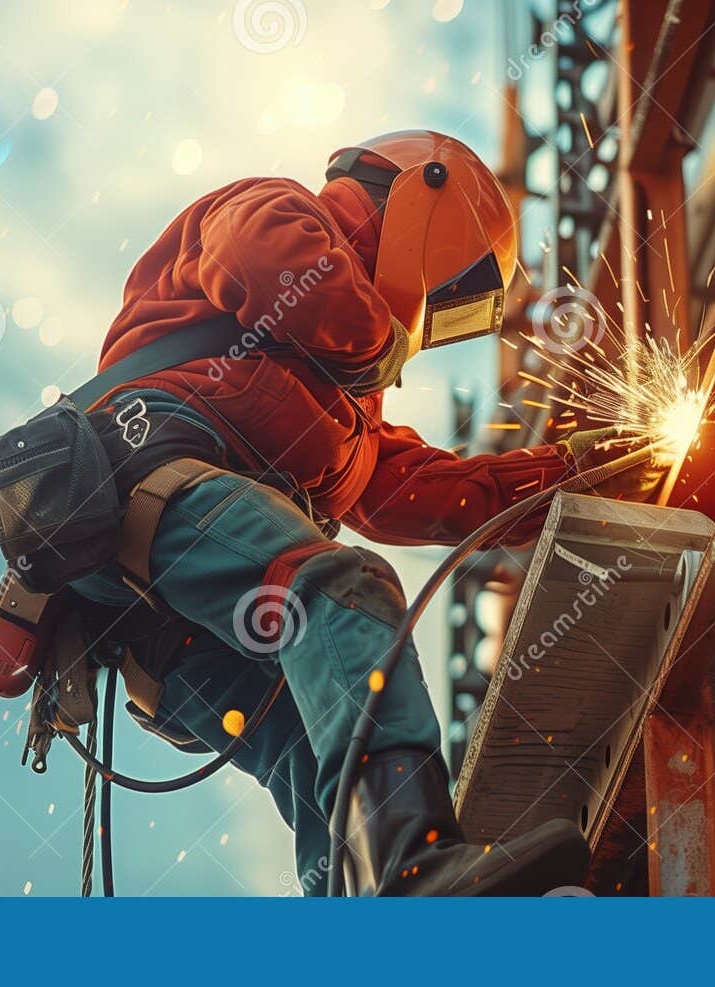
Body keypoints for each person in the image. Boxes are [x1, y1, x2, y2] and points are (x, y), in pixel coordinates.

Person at [69, 130, 658, 895]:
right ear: (428, 201)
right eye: (454, 298)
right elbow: (266, 255)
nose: (428, 327)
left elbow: (427, 491)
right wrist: (374, 345)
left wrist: (572, 476)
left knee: (315, 750)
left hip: (176, 639)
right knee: (336, 590)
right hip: (151, 483)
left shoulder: (345, 411)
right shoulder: (275, 209)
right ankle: (414, 869)